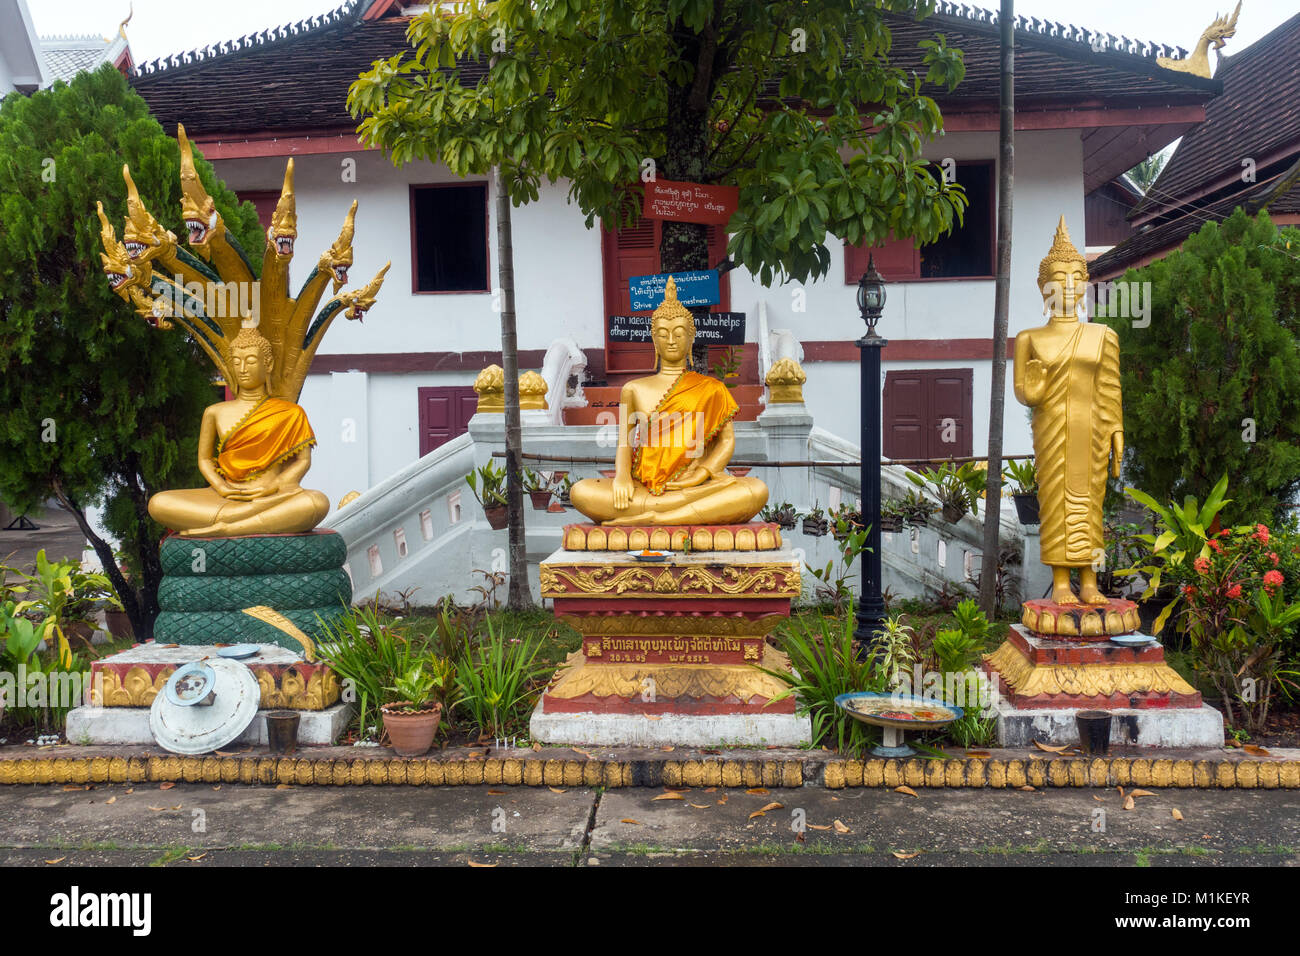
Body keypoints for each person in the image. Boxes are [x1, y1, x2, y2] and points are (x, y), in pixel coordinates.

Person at [570, 278, 767, 526]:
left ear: (691, 338)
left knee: (756, 490)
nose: (671, 340)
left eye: (679, 333)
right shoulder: (634, 388)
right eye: (663, 334)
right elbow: (624, 442)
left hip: (695, 485)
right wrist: (621, 477)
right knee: (581, 491)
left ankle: (656, 518)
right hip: (646, 488)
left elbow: (726, 441)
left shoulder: (711, 388)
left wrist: (701, 475)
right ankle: (678, 513)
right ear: (654, 340)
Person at [1013, 217, 1123, 604]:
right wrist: (1037, 387)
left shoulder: (1102, 336)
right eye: (1060, 277)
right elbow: (1024, 393)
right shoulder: (1030, 338)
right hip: (1053, 430)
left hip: (1091, 432)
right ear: (1044, 286)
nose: (1070, 285)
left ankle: (1090, 581)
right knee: (1057, 499)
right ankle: (1061, 582)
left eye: (1077, 277)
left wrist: (1116, 432)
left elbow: (1109, 387)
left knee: (1090, 502)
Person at [147, 327, 329, 537]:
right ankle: (253, 519)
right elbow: (205, 460)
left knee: (316, 502)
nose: (242, 368)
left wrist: (275, 487)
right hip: (224, 498)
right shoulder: (215, 412)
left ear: (267, 364)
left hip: (271, 495)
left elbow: (302, 461)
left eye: (250, 361)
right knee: (159, 503)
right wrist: (221, 487)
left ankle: (228, 528)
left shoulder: (290, 413)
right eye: (236, 362)